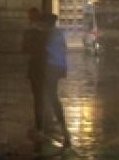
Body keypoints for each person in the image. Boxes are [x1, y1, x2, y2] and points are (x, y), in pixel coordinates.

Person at [41, 13, 72, 148]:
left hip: (50, 68)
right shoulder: (58, 33)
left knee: (50, 96)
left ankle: (53, 124)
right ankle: (58, 125)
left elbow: (47, 51)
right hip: (57, 68)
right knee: (51, 96)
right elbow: (64, 50)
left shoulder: (49, 35)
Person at [22, 7, 46, 139]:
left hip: (34, 68)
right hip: (44, 67)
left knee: (37, 98)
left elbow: (24, 48)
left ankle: (39, 126)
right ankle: (41, 125)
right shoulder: (45, 32)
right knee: (41, 97)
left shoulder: (29, 32)